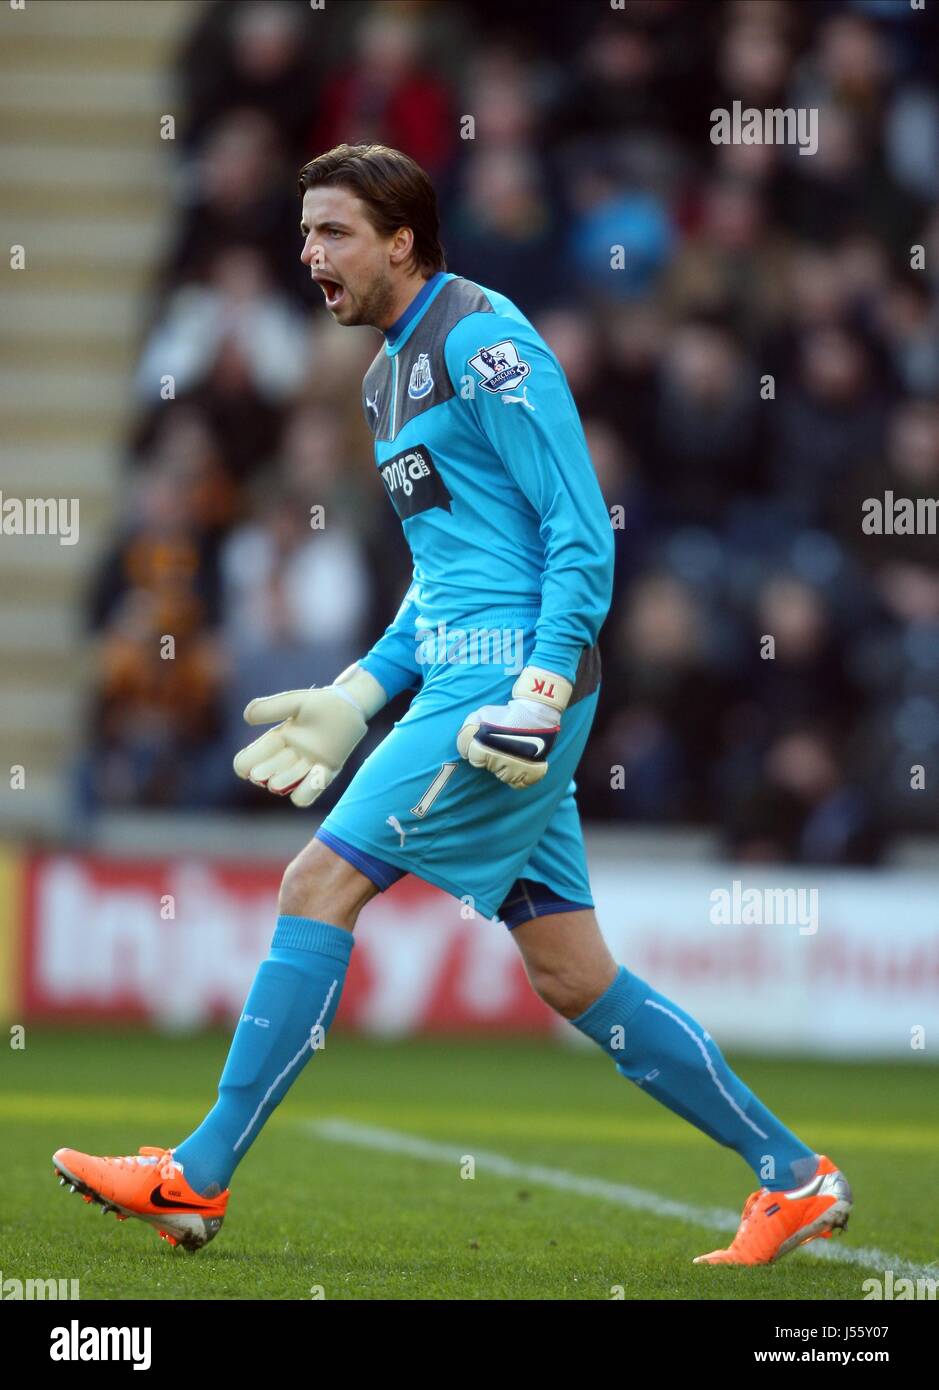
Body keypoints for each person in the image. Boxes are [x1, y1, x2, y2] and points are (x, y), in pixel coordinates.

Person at [53, 143, 851, 1266]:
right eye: (304, 231)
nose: (309, 252)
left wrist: (542, 683)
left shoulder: (483, 339)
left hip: (507, 690)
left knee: (316, 882)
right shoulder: (384, 379)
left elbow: (580, 525)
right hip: (467, 679)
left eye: (332, 231)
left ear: (401, 241)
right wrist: (360, 689)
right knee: (571, 972)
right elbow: (444, 576)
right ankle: (794, 1175)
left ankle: (198, 1175)